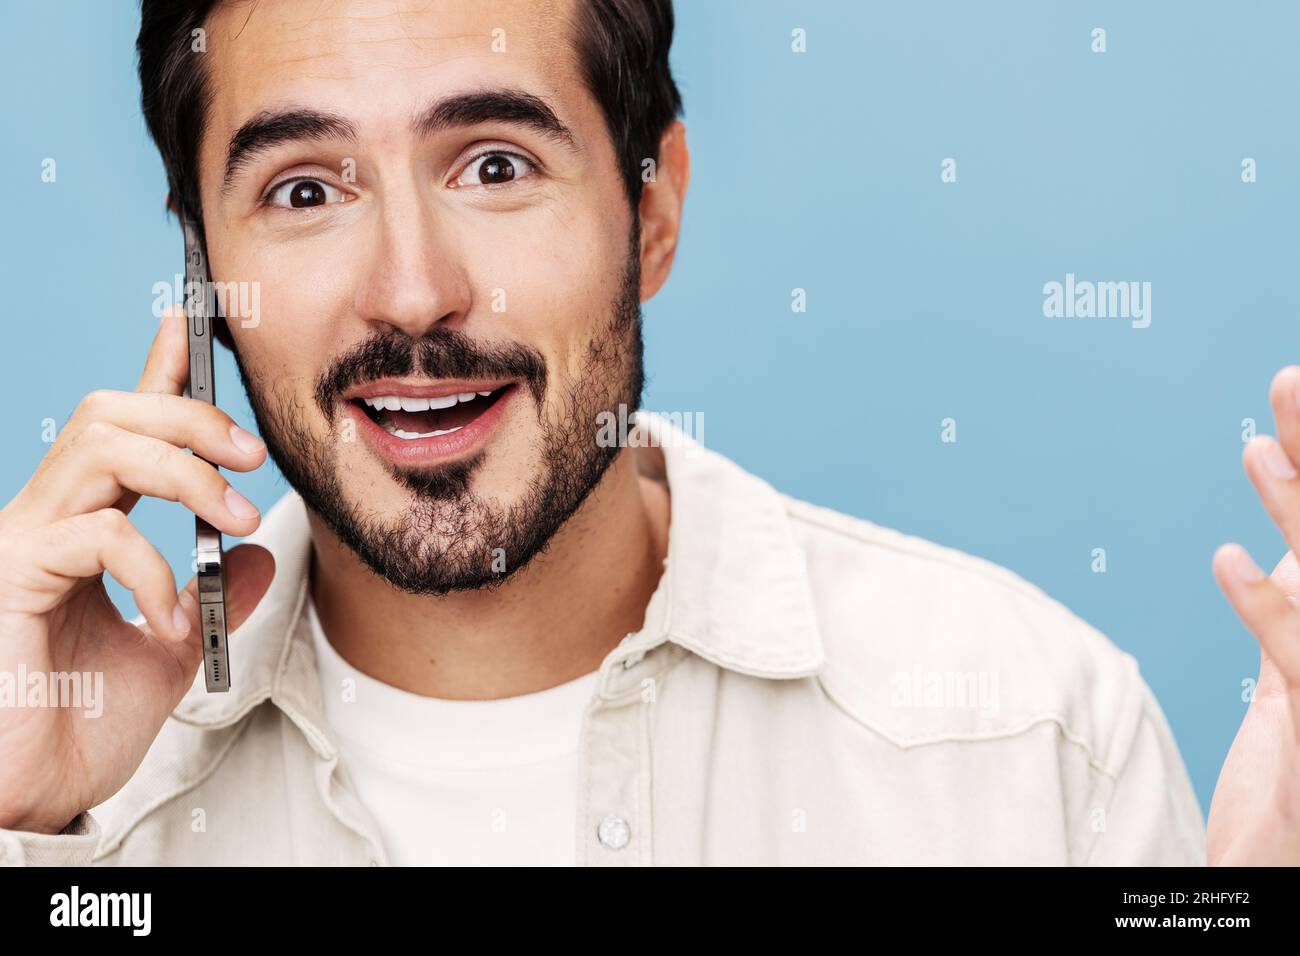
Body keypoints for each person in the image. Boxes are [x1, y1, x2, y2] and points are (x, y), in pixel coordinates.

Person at [0, 0, 1294, 866]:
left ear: (654, 209)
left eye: (495, 164)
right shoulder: (78, 800)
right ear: (204, 269)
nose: (410, 291)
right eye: (303, 189)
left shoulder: (1029, 735)